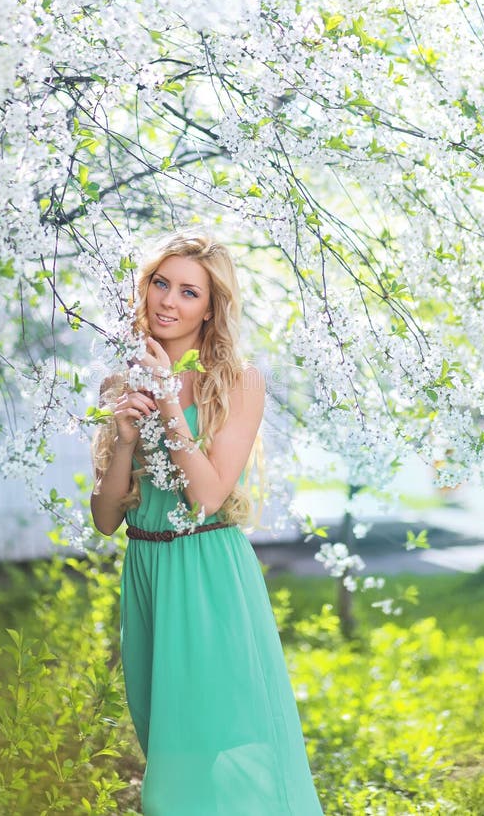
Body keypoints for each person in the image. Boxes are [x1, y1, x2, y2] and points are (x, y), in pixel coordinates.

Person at [90, 231, 324, 815]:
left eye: (188, 291)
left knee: (227, 736)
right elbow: (103, 519)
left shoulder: (239, 382)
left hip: (208, 566)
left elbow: (208, 494)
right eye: (159, 283)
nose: (167, 301)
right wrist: (122, 440)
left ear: (210, 306)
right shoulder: (119, 383)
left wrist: (170, 403)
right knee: (165, 743)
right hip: (148, 568)